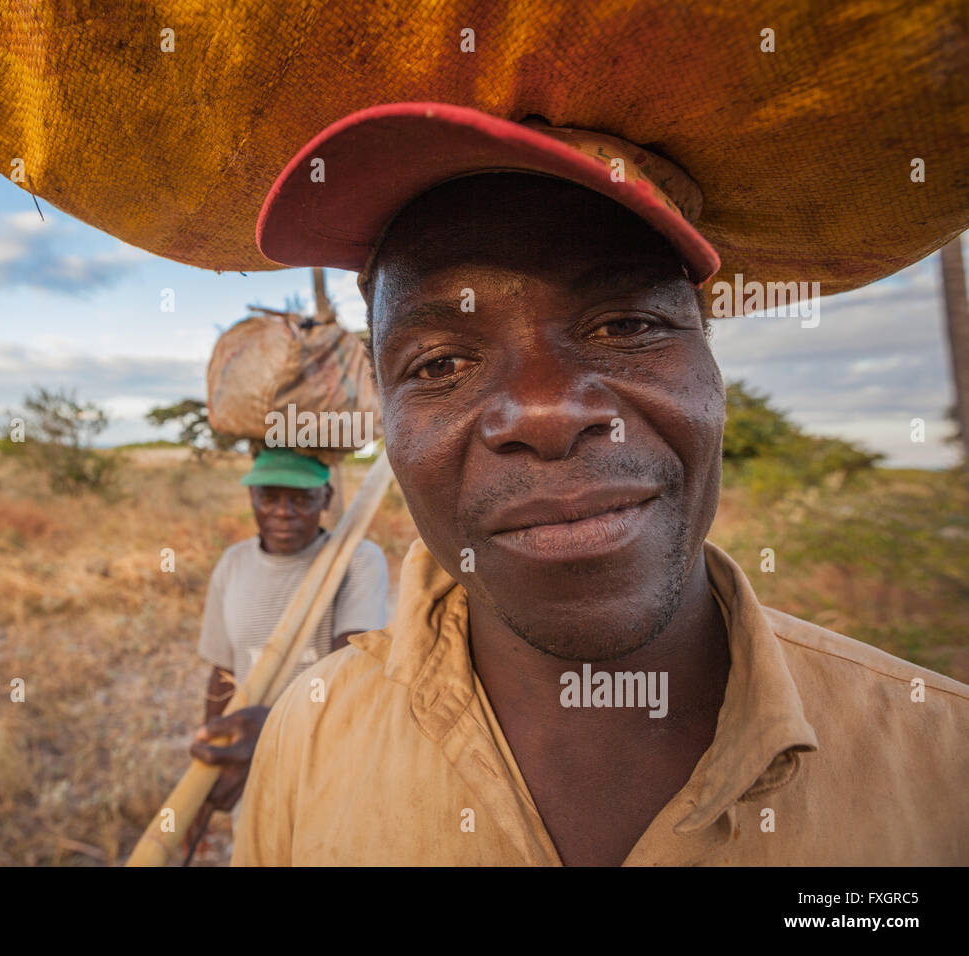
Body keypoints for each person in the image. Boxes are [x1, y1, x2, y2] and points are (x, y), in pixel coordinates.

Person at [232, 103, 969, 865]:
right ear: (387, 420)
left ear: (711, 367)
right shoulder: (308, 738)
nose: (547, 412)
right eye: (440, 364)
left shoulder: (944, 769)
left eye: (627, 325)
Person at [185, 445, 389, 846]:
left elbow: (349, 671)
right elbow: (224, 671)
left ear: (326, 499)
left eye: (301, 498)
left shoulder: (357, 559)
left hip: (328, 761)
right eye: (270, 497)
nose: (283, 512)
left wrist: (274, 729)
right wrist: (204, 772)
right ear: (251, 498)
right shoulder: (233, 564)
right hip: (250, 762)